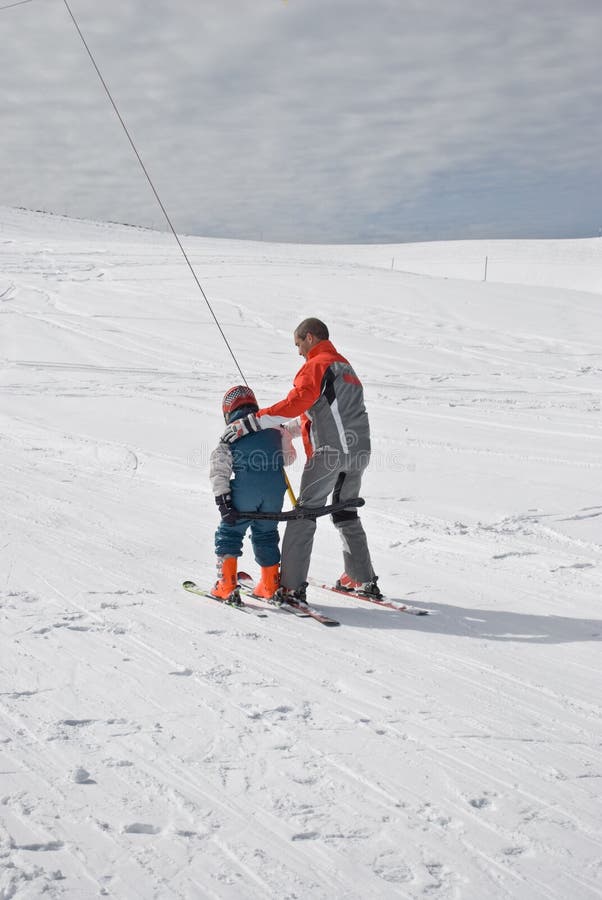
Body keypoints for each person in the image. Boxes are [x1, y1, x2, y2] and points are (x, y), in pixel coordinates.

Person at [221, 318, 379, 603]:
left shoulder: (317, 364)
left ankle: (291, 586)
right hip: (359, 452)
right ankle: (361, 577)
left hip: (330, 454)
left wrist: (252, 423)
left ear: (309, 337)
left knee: (303, 514)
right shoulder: (345, 367)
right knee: (345, 511)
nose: (298, 352)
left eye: (298, 344)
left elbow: (297, 402)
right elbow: (323, 412)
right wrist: (291, 431)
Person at [210, 385, 294, 601]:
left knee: (230, 533)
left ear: (228, 412)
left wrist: (223, 500)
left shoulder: (231, 434)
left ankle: (226, 584)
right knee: (266, 534)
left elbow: (219, 468)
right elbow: (288, 459)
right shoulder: (274, 428)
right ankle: (269, 583)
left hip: (244, 493)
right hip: (274, 494)